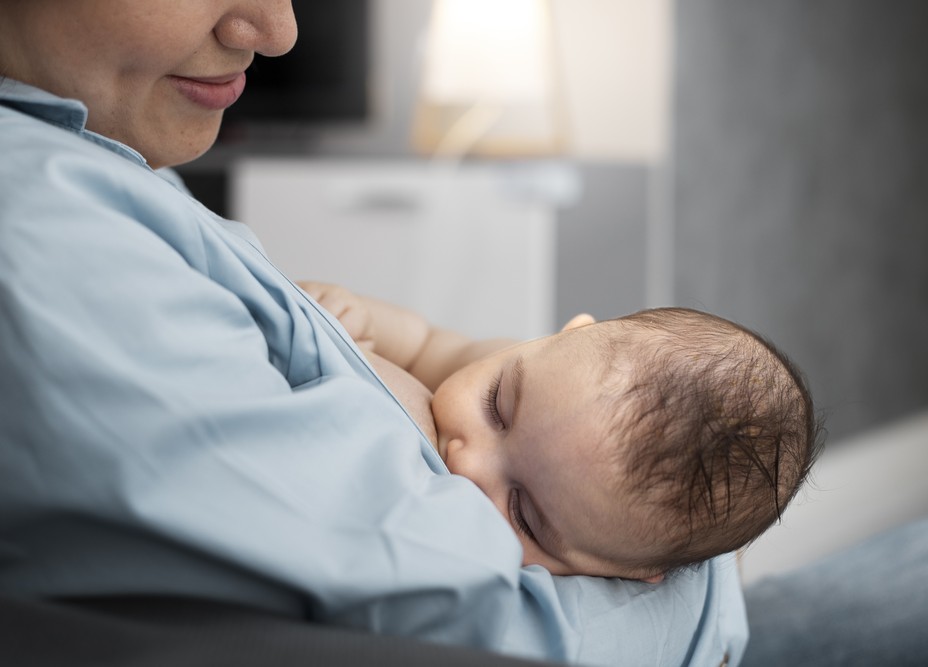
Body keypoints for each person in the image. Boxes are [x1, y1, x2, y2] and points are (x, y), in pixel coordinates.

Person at [0, 2, 747, 666]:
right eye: (496, 406)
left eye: (525, 512)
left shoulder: (104, 151)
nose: (279, 30)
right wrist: (698, 574)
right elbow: (487, 627)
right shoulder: (42, 226)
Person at [300, 282, 820, 583]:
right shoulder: (498, 359)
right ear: (566, 335)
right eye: (495, 408)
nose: (466, 463)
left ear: (622, 574)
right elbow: (422, 343)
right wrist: (362, 318)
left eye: (525, 516)